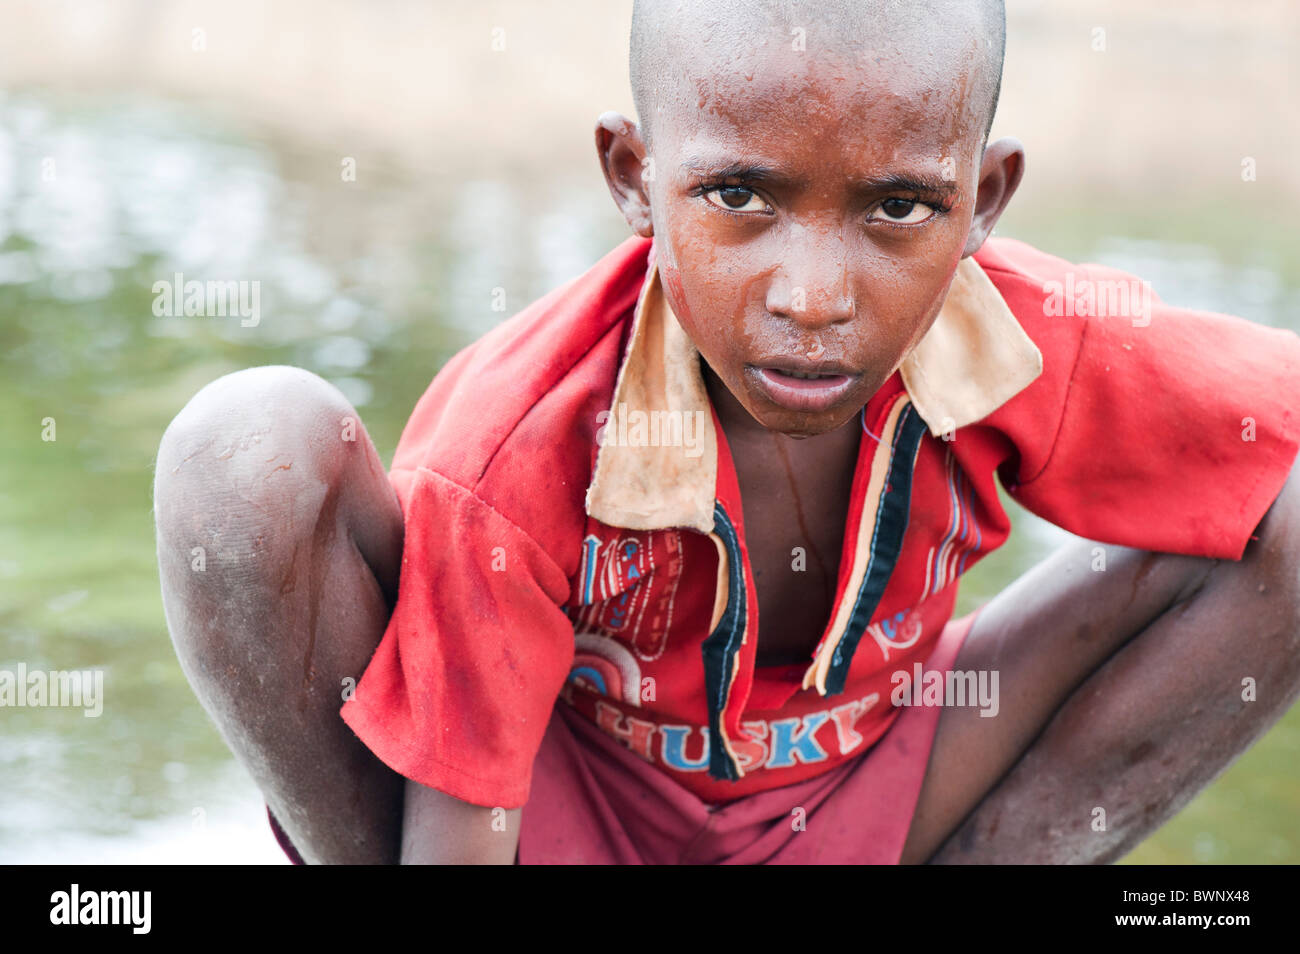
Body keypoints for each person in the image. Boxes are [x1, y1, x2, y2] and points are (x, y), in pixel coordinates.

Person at [154, 0, 1300, 863]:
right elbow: (465, 821)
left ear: (982, 204)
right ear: (634, 177)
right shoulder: (517, 442)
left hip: (881, 785)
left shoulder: (1030, 336)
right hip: (572, 820)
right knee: (242, 454)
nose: (811, 296)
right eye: (740, 197)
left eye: (897, 207)